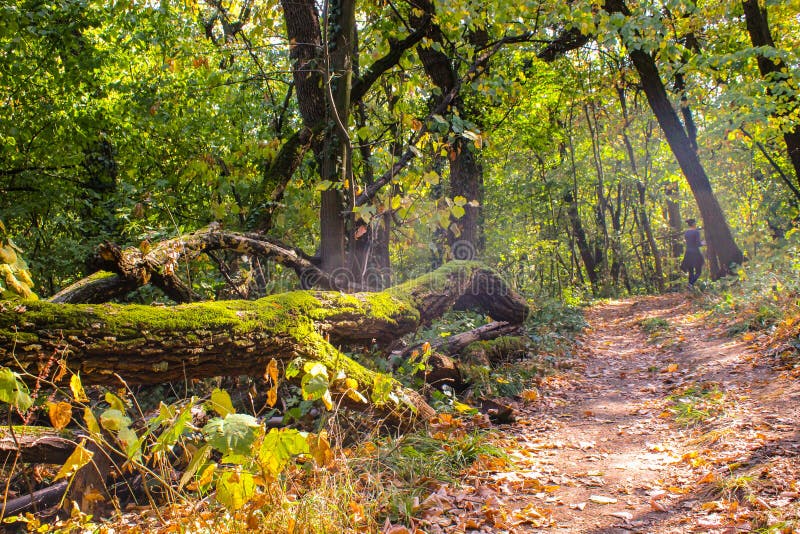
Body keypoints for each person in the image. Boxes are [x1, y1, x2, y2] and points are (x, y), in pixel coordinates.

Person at [680, 219, 704, 286]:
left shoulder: (686, 232)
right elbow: (698, 244)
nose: (696, 224)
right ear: (693, 224)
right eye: (695, 223)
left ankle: (690, 286)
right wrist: (704, 243)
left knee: (691, 271)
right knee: (698, 272)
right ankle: (690, 284)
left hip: (688, 253)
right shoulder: (696, 232)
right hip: (695, 253)